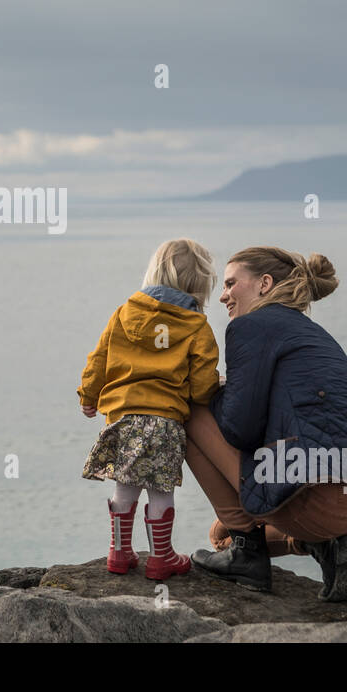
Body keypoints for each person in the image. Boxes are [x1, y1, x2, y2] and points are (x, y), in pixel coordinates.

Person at [186, 246, 347, 601]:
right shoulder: (315, 334)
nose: (222, 295)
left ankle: (247, 553)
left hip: (318, 495)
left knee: (188, 409)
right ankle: (326, 547)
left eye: (230, 284)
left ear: (264, 284)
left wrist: (216, 392)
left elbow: (240, 429)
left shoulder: (249, 327)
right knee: (219, 535)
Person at [78, 239, 221, 580]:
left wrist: (89, 395)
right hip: (165, 421)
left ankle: (119, 553)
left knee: (124, 485)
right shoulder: (197, 326)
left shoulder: (125, 312)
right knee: (160, 489)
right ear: (199, 286)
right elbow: (202, 385)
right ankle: (161, 559)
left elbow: (99, 358)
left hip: (123, 418)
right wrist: (208, 390)